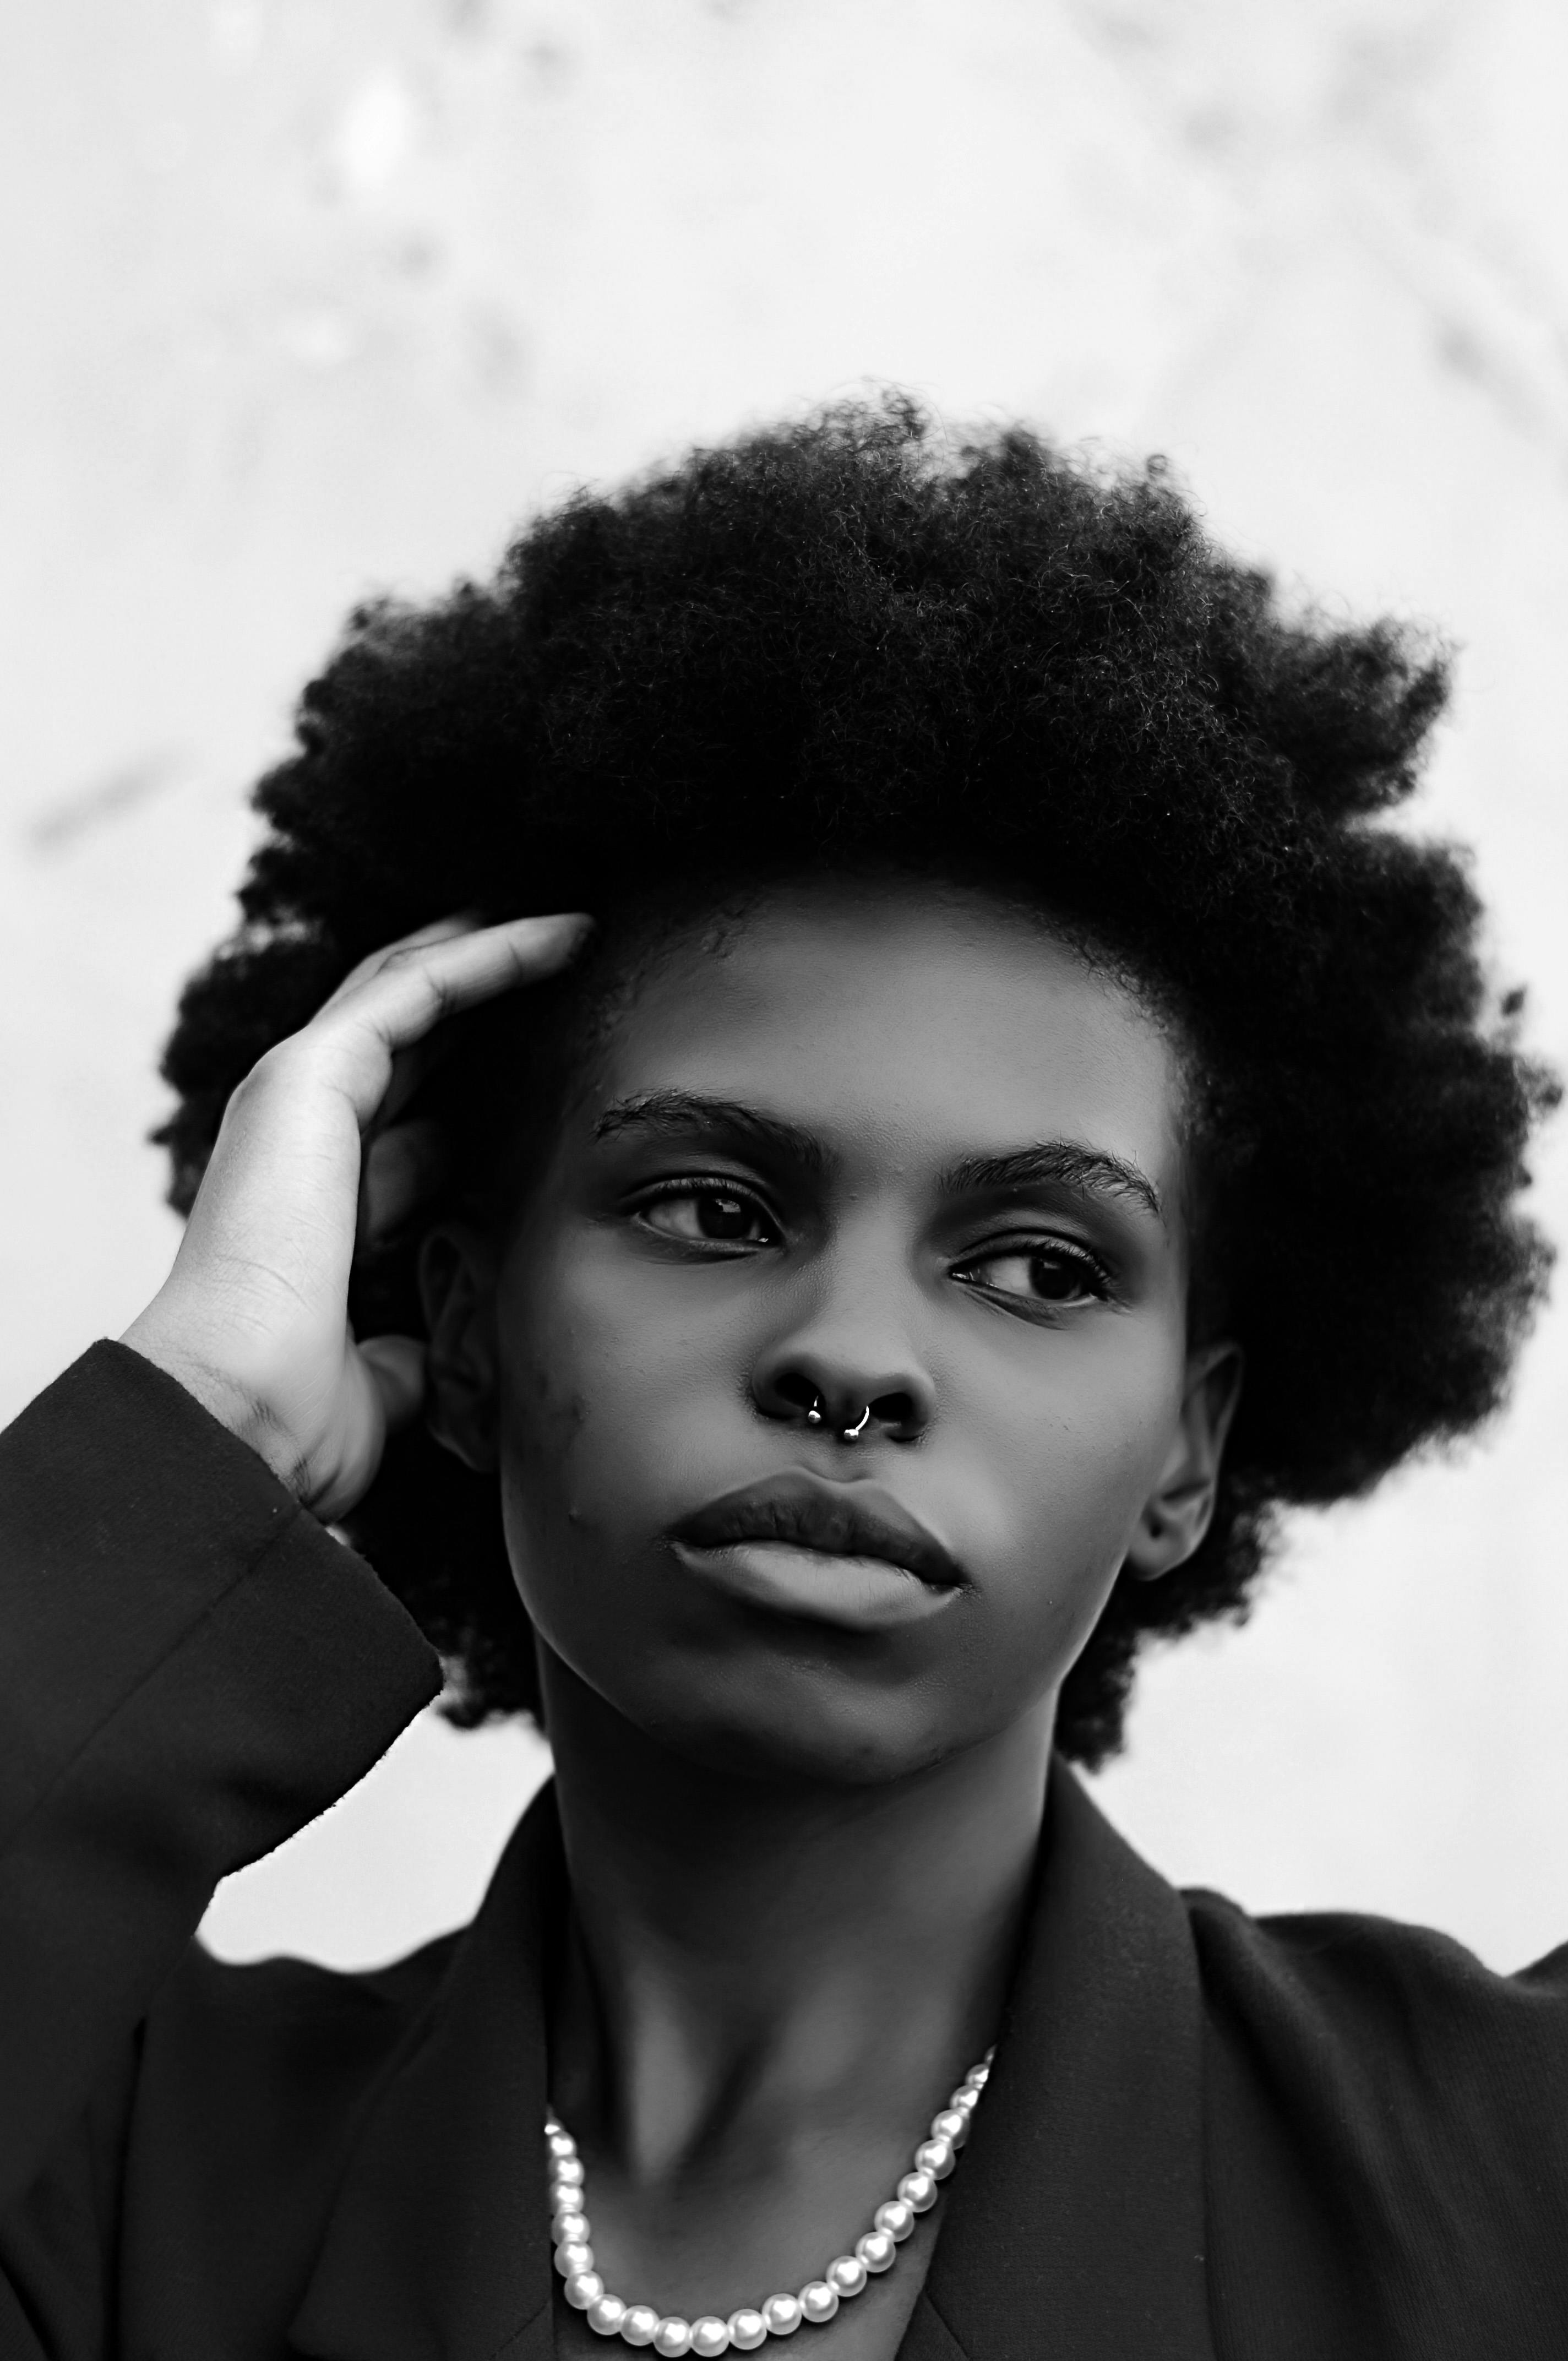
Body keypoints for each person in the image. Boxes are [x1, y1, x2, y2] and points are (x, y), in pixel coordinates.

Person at [1, 399, 1562, 2361]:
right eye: (712, 1209)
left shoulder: (1504, 2177)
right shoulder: (122, 2178)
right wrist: (203, 1440)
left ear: (1191, 1448)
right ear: (467, 1334)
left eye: (1038, 1265)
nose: (847, 1354)